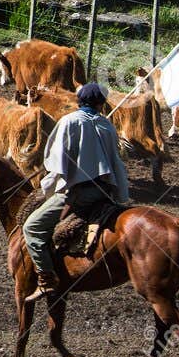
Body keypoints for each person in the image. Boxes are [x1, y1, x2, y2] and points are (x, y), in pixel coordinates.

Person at [21, 82, 132, 305]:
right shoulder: (107, 126)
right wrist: (122, 197)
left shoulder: (69, 122)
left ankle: (46, 278)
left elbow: (57, 164)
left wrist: (45, 189)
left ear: (79, 101)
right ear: (100, 105)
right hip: (106, 192)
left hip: (79, 193)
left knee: (31, 228)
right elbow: (116, 163)